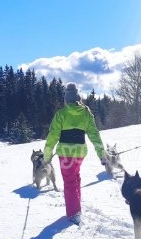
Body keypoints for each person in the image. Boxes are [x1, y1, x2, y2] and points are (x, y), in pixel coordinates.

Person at [43, 83, 106, 225]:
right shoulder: (86, 113)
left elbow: (52, 136)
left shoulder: (61, 114)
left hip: (66, 154)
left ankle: (74, 213)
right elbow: (94, 134)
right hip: (80, 153)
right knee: (75, 178)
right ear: (78, 98)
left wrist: (47, 156)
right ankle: (76, 207)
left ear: (66, 99)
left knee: (69, 182)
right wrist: (102, 154)